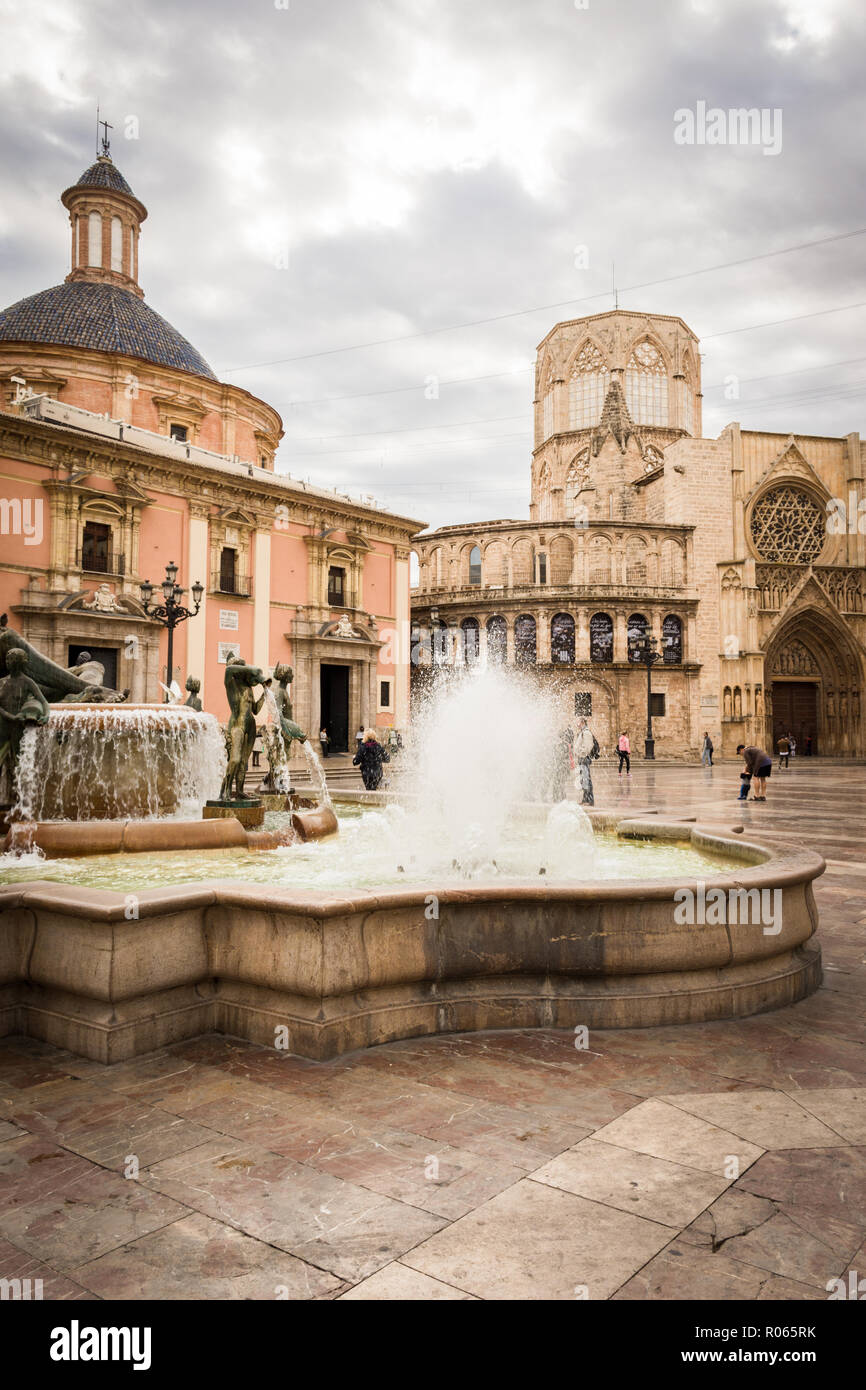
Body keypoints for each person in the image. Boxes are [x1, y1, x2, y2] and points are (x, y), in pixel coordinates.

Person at [574, 717, 600, 806]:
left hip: (584, 758)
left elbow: (588, 746)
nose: (577, 724)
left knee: (586, 779)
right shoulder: (582, 732)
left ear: (582, 722)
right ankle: (585, 799)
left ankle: (590, 800)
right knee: (584, 780)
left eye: (578, 722)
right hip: (582, 758)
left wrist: (582, 753)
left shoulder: (586, 733)